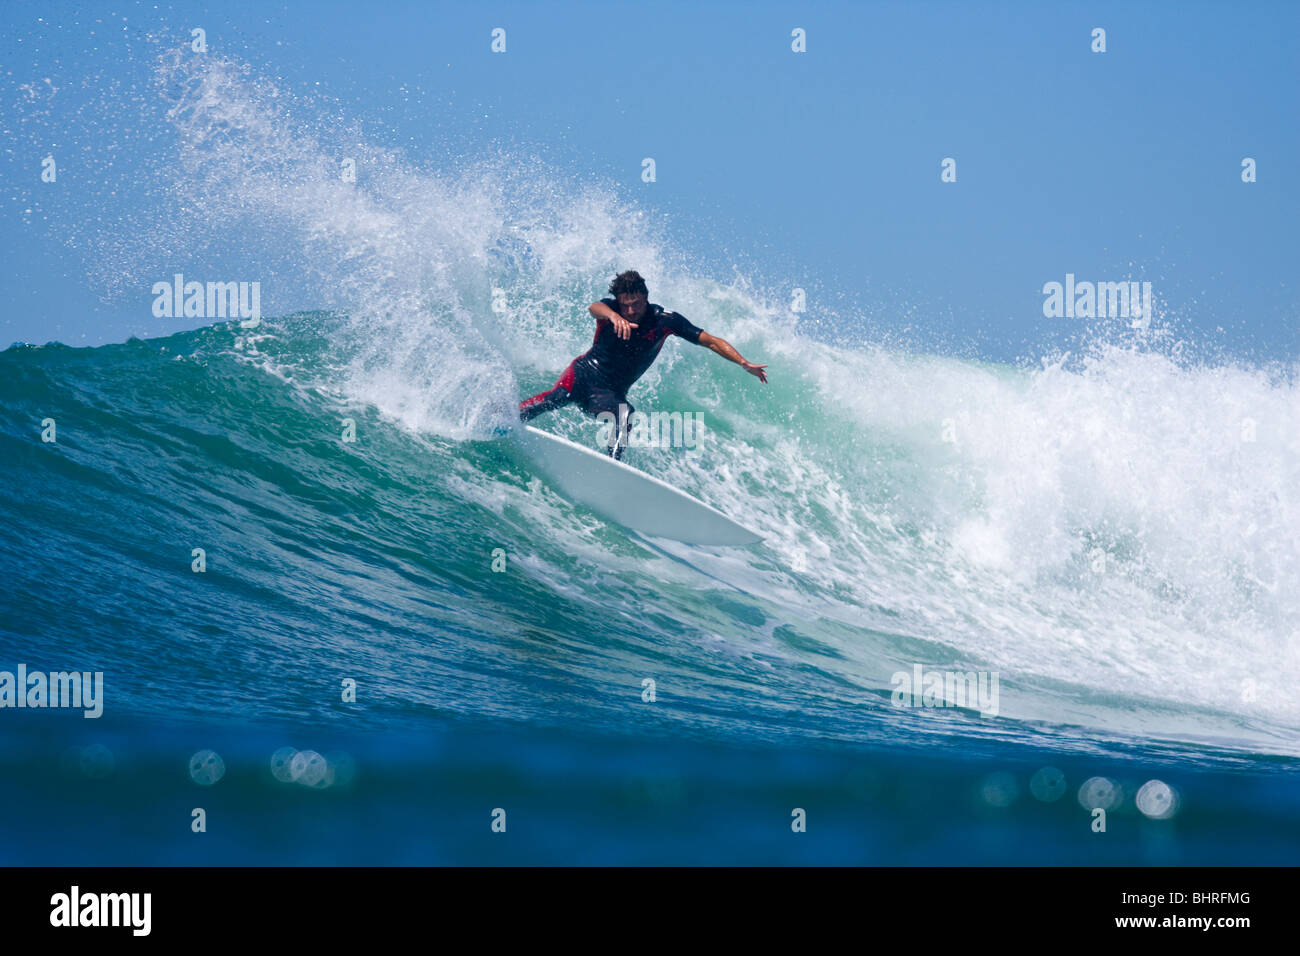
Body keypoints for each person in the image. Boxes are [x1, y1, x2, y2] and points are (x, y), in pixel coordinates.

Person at [519, 271, 768, 459]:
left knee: (624, 414)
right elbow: (594, 308)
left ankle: (612, 466)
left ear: (646, 298)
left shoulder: (664, 320)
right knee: (557, 396)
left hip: (609, 393)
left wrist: (742, 362)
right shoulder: (611, 309)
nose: (630, 310)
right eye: (625, 304)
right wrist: (613, 316)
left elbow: (711, 341)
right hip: (583, 373)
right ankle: (508, 416)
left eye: (636, 303)